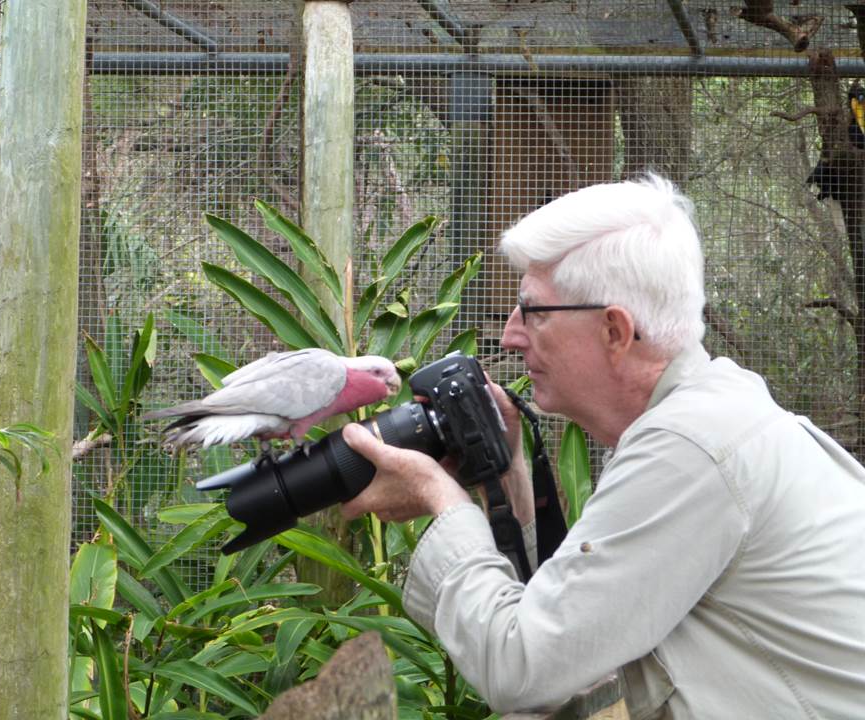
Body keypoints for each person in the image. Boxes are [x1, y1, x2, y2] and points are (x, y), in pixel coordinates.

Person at [340, 174, 865, 719]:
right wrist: (509, 474)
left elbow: (521, 668)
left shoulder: (690, 449)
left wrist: (440, 498)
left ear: (615, 330)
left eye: (533, 311)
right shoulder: (716, 410)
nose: (511, 335)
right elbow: (579, 620)